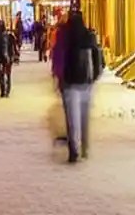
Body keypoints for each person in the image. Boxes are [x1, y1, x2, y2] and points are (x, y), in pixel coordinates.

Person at [58, 11, 103, 163]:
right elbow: (98, 59)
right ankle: (84, 147)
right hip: (86, 82)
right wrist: (94, 76)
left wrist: (60, 79)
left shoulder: (65, 38)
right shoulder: (89, 36)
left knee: (73, 119)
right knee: (84, 118)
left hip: (70, 83)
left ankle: (74, 150)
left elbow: (59, 59)